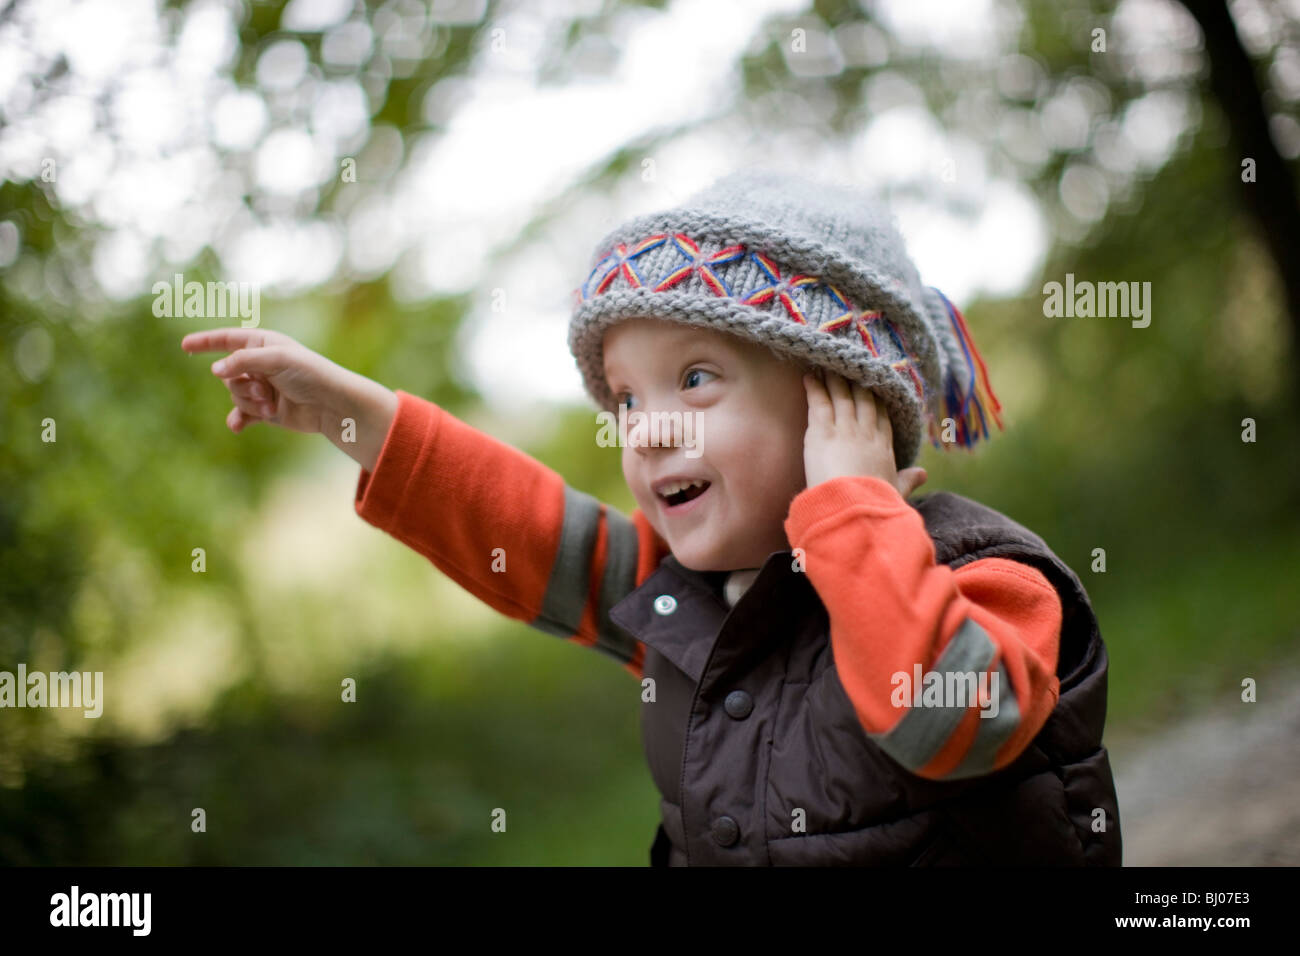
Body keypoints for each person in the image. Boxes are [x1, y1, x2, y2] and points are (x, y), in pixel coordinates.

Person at [182, 166, 1122, 866]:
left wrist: (851, 511)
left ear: (847, 404)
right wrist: (357, 415)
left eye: (697, 379)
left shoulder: (982, 575)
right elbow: (529, 529)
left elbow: (946, 720)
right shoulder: (693, 608)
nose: (647, 429)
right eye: (626, 400)